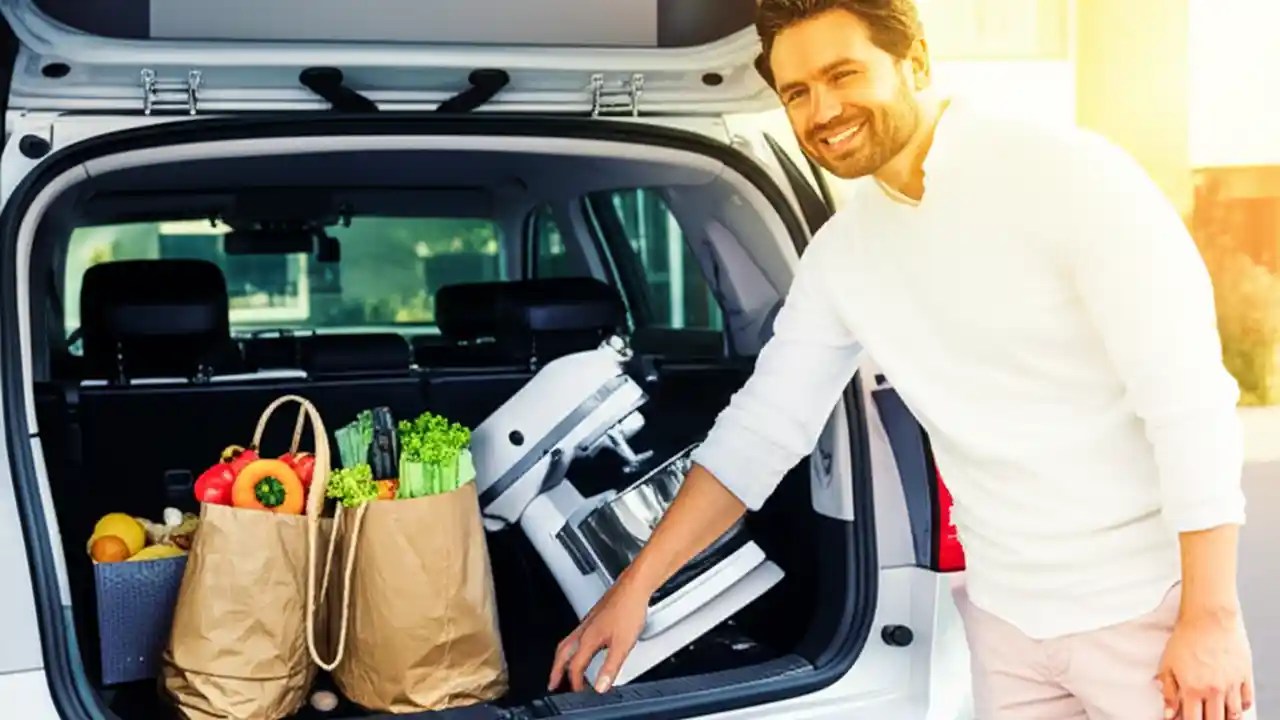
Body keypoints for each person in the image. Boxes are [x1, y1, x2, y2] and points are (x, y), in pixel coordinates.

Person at [547, 1, 1257, 718]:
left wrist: (1212, 616)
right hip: (1007, 624)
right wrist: (634, 589)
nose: (822, 110)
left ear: (914, 61)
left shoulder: (1068, 176)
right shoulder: (843, 256)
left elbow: (1188, 401)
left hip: (1141, 611)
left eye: (842, 74)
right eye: (797, 92)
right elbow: (762, 430)